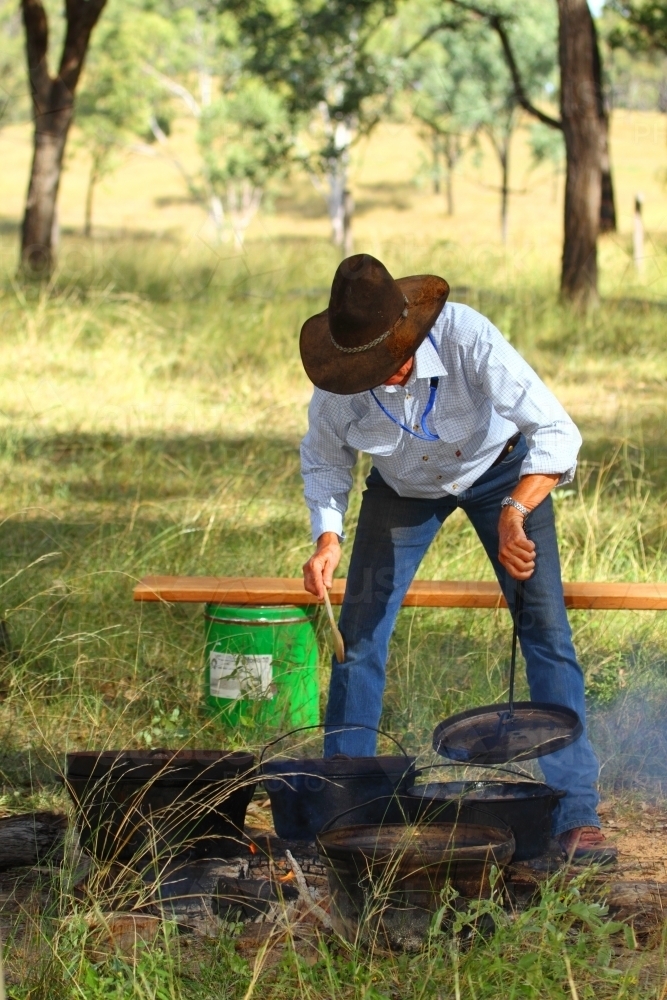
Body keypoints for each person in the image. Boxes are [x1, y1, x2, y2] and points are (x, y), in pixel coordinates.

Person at [298, 253, 616, 864]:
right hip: (401, 490)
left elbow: (556, 431)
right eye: (369, 370)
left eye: (390, 364)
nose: (384, 380)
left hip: (500, 475)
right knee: (359, 640)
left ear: (411, 334)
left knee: (546, 634)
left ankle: (576, 812)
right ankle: (349, 810)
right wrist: (328, 538)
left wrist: (517, 510)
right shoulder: (339, 379)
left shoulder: (468, 336)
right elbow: (324, 459)